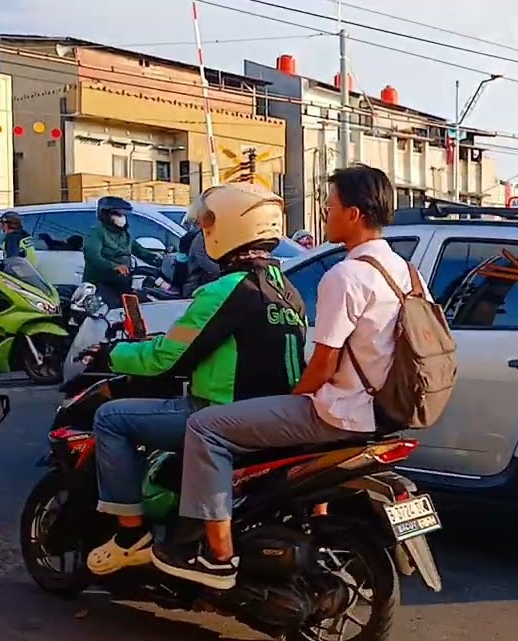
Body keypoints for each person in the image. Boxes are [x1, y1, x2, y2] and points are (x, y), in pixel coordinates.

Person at [151, 165, 419, 590]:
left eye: (328, 206)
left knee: (204, 429)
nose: (324, 215)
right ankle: (311, 517)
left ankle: (216, 557)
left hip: (338, 415)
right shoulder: (403, 271)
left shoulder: (345, 276)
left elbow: (324, 365)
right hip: (384, 413)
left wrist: (294, 396)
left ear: (352, 214)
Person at [84, 183, 308, 577]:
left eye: (206, 229)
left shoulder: (227, 289)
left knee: (110, 418)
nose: (201, 240)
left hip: (220, 412)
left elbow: (167, 358)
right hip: (272, 415)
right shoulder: (289, 292)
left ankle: (130, 533)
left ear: (228, 231)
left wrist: (111, 354)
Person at [83, 196, 158, 308]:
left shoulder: (124, 234)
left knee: (143, 304)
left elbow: (139, 250)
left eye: (123, 215)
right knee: (113, 310)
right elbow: (92, 256)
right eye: (118, 214)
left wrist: (158, 259)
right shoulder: (97, 233)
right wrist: (114, 266)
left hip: (123, 284)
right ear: (106, 215)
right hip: (102, 284)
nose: (122, 218)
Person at [181, 195, 220, 297]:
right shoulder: (201, 238)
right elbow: (208, 264)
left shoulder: (215, 236)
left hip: (213, 286)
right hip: (197, 289)